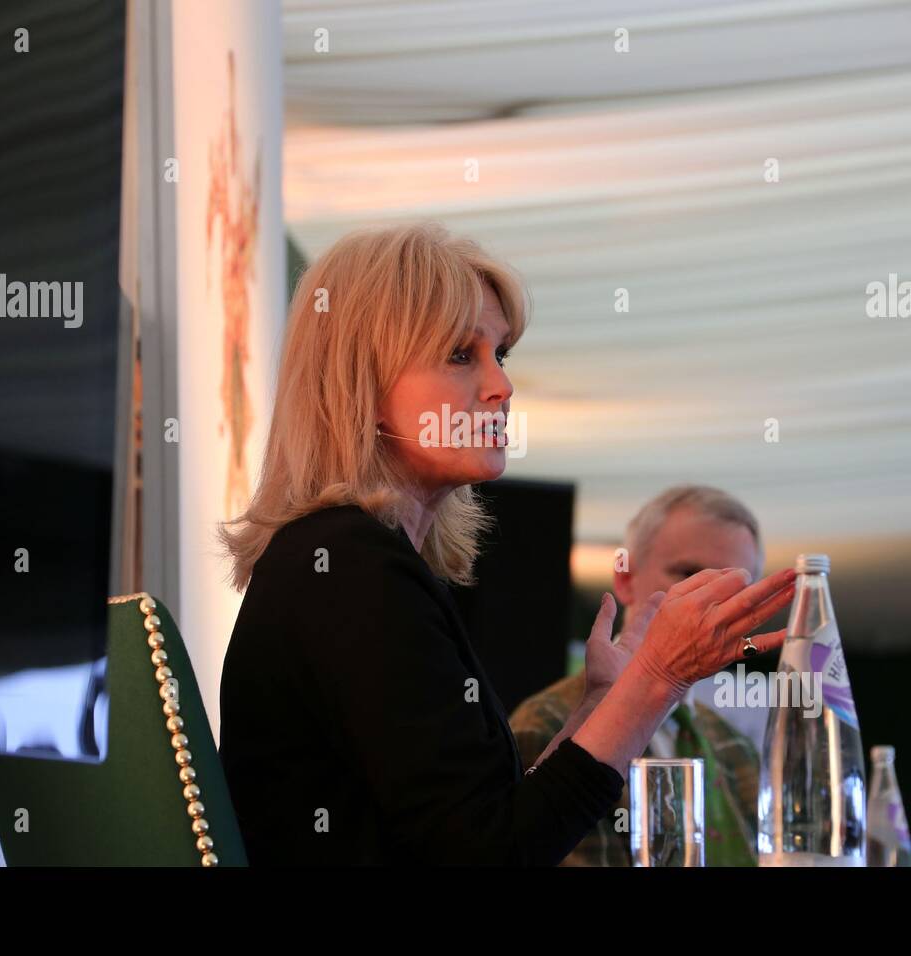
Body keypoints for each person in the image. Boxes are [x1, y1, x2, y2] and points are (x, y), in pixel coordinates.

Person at [216, 221, 797, 865]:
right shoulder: (346, 564)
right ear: (366, 385)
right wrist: (658, 677)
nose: (502, 386)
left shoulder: (361, 558)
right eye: (462, 355)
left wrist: (603, 702)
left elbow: (500, 822)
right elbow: (490, 858)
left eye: (501, 354)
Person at [512, 485, 773, 866]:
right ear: (625, 579)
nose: (712, 599)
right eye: (688, 574)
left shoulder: (735, 748)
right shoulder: (548, 726)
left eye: (734, 586)